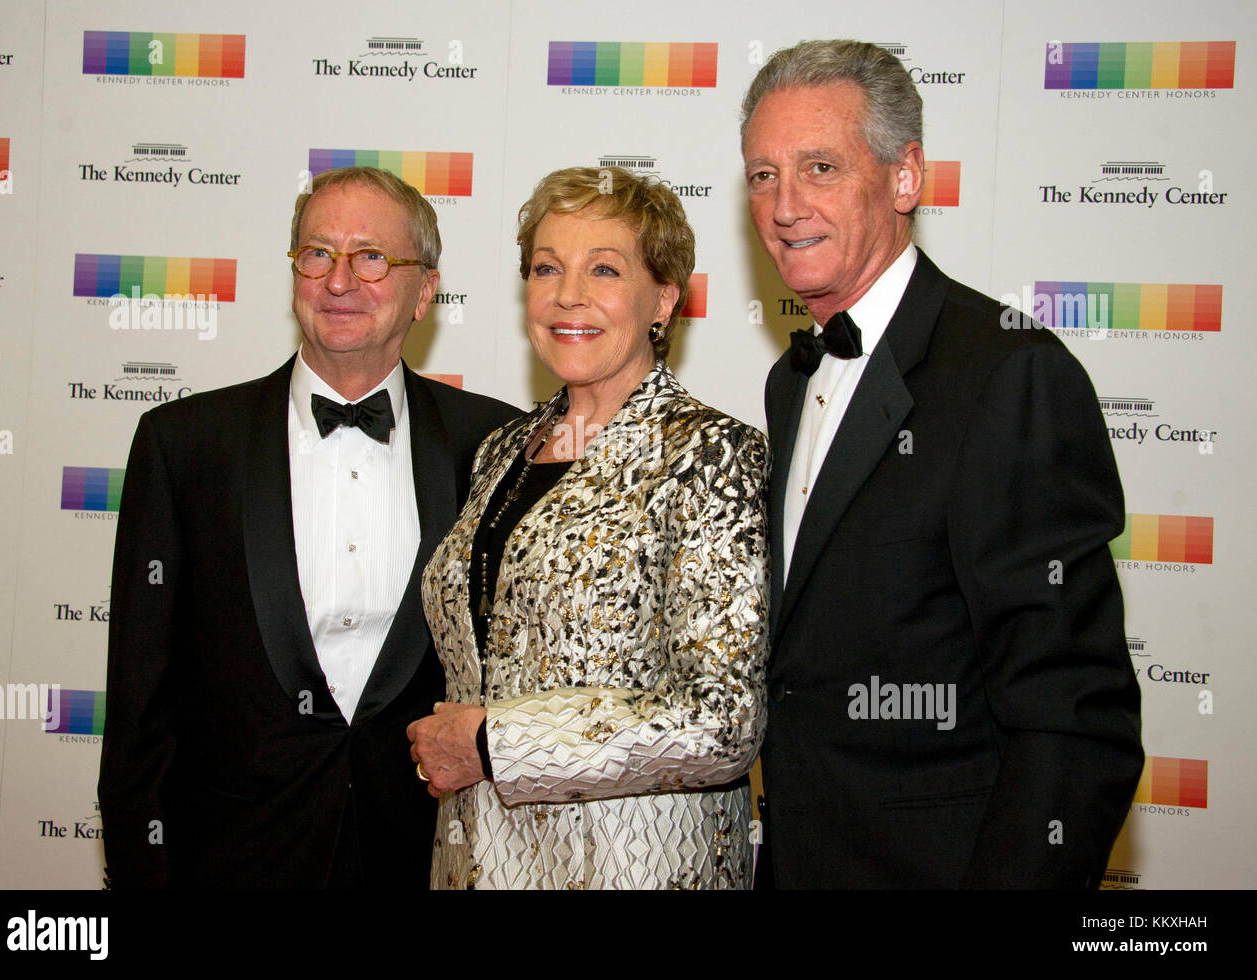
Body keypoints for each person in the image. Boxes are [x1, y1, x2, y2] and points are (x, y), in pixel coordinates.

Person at [741, 41, 1142, 888]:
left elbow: (1073, 719)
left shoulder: (1008, 373)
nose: (785, 206)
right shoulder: (790, 381)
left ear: (904, 178)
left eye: (820, 167)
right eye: (763, 176)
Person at [98, 166, 518, 888]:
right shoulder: (185, 444)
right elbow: (142, 700)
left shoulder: (495, 444)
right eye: (317, 254)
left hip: (426, 856)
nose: (339, 281)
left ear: (425, 290)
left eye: (372, 257)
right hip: (231, 859)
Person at [406, 166, 768, 889]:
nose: (568, 294)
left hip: (632, 867)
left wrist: (493, 742)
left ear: (663, 298)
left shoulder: (708, 454)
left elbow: (722, 722)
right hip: (475, 858)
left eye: (604, 269)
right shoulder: (501, 450)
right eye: (547, 269)